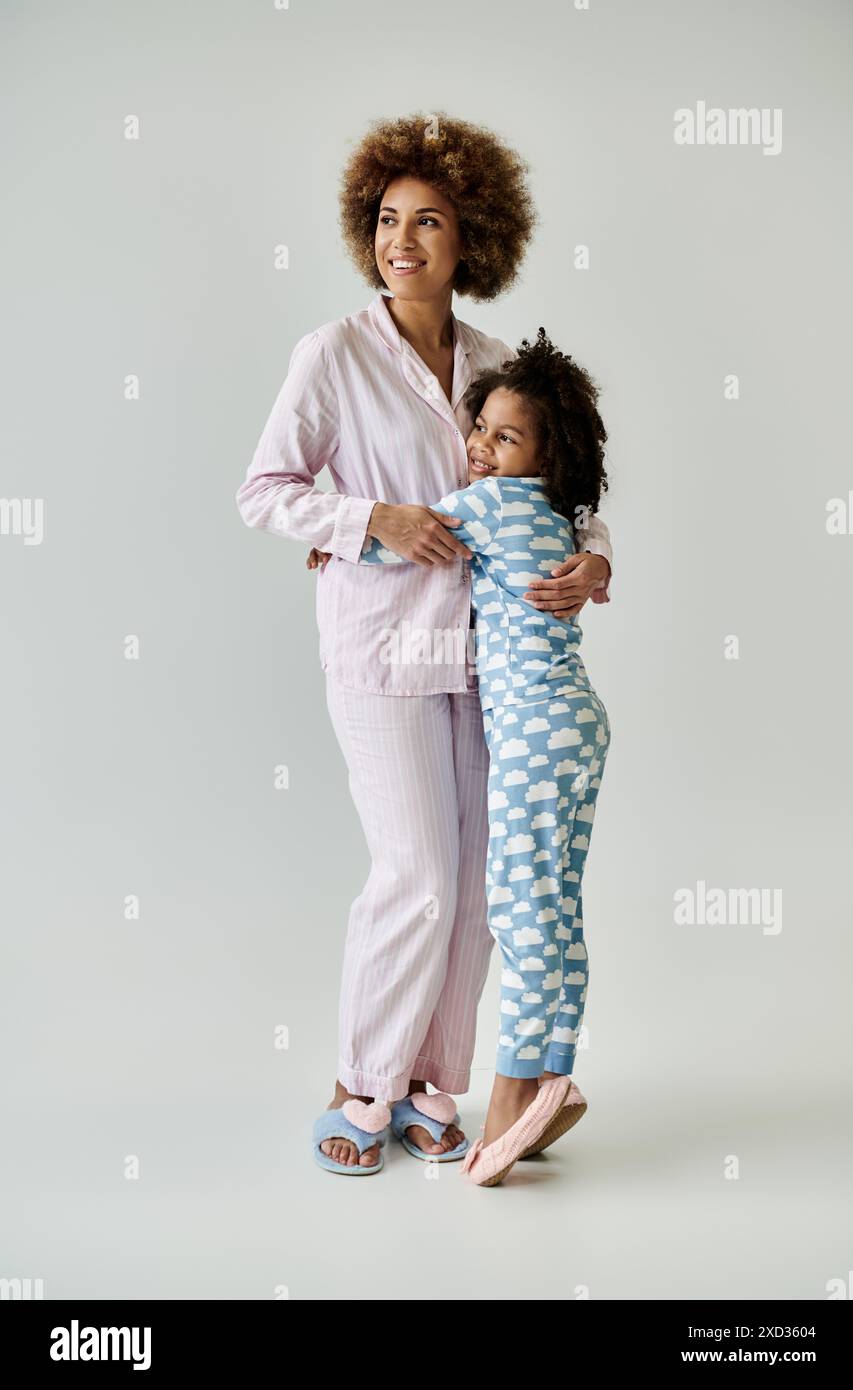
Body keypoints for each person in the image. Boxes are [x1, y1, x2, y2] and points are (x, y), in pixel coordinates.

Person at [236, 112, 613, 1176]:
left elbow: (563, 493)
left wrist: (595, 563)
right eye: (388, 220)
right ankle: (361, 1082)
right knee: (414, 873)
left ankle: (430, 1086)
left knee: (486, 878)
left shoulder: (497, 362)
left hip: (492, 660)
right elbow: (263, 491)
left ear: (470, 239)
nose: (403, 239)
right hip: (382, 652)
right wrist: (369, 521)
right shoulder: (332, 356)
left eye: (430, 220)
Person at [321, 327, 610, 1184]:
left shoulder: (486, 503)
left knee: (517, 911)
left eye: (503, 437)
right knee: (553, 904)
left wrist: (344, 536)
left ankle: (516, 1097)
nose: (479, 446)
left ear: (544, 455)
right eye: (479, 428)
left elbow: (409, 530)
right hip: (577, 723)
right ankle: (553, 1068)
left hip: (527, 727)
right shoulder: (553, 510)